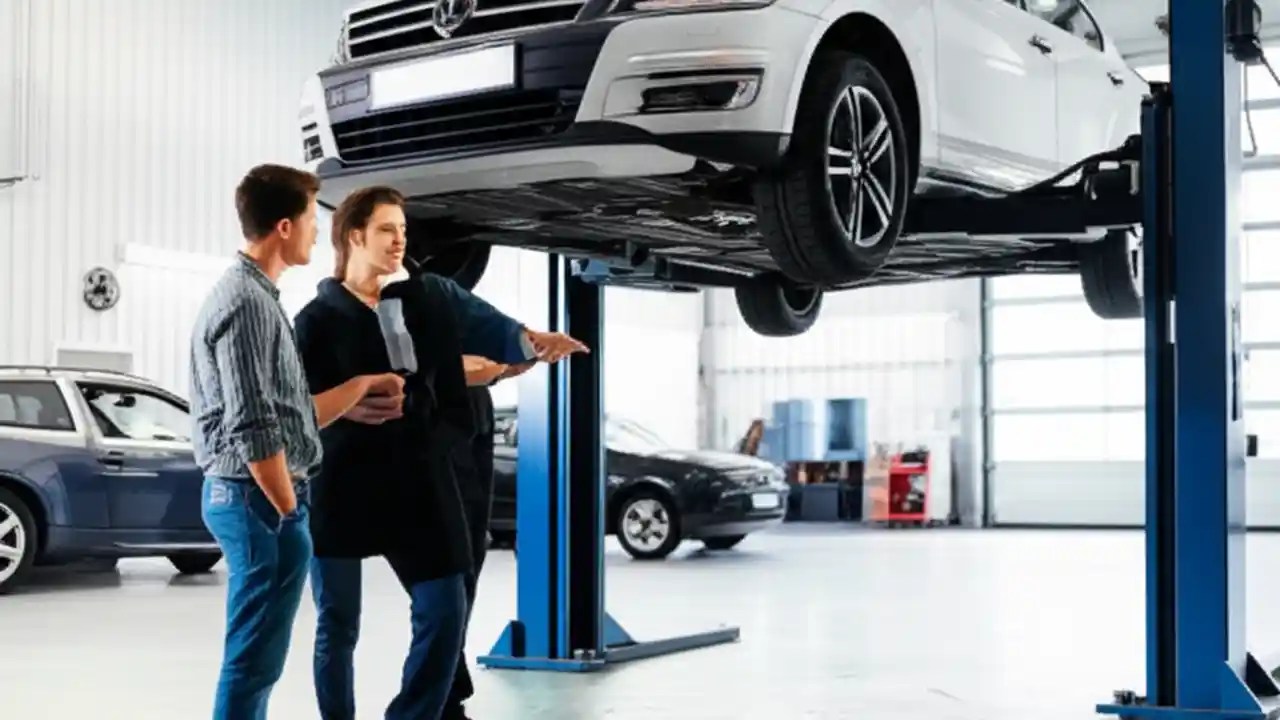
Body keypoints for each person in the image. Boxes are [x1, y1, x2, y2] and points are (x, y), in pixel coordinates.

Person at [294, 185, 586, 720]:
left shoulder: (426, 298)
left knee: (445, 605)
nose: (399, 239)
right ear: (355, 236)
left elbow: (489, 327)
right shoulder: (314, 320)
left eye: (403, 230)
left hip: (416, 480)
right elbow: (296, 408)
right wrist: (351, 402)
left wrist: (531, 342)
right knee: (337, 623)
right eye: (387, 229)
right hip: (341, 482)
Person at [189, 164, 403, 720]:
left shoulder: (259, 296)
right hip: (258, 501)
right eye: (311, 218)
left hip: (260, 498)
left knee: (258, 658)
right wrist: (288, 510)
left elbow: (289, 415)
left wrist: (356, 388)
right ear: (284, 226)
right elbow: (255, 426)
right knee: (253, 660)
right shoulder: (247, 303)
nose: (316, 231)